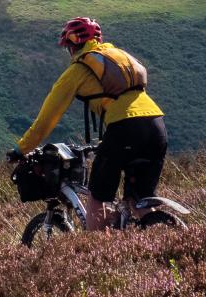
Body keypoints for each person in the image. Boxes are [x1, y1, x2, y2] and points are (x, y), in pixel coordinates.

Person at [13, 18, 167, 232]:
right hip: (156, 126)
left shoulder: (79, 69)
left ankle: (96, 248)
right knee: (139, 200)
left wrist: (21, 149)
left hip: (124, 128)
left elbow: (47, 119)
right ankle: (159, 237)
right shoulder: (117, 57)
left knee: (97, 198)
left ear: (71, 45)